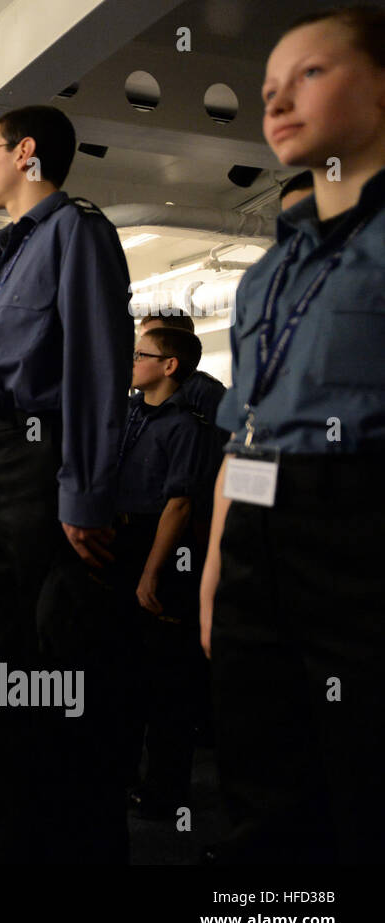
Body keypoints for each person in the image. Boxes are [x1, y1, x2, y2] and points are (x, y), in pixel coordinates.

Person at [201, 5, 385, 864]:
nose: (276, 100)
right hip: (257, 525)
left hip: (359, 518)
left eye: (309, 74)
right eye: (267, 87)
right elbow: (244, 431)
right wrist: (215, 565)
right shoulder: (269, 273)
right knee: (261, 772)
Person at [0, 105, 134, 862]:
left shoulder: (76, 232)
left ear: (25, 153)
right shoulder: (5, 255)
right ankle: (4, 838)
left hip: (46, 463)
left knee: (60, 672)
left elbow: (97, 365)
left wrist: (85, 489)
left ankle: (73, 846)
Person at [112, 326, 211, 818]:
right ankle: (122, 774)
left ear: (169, 366)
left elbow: (179, 505)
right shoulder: (128, 414)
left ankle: (165, 792)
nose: (131, 362)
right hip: (122, 542)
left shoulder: (184, 426)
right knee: (125, 674)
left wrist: (150, 575)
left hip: (161, 549)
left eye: (141, 355)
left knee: (167, 682)